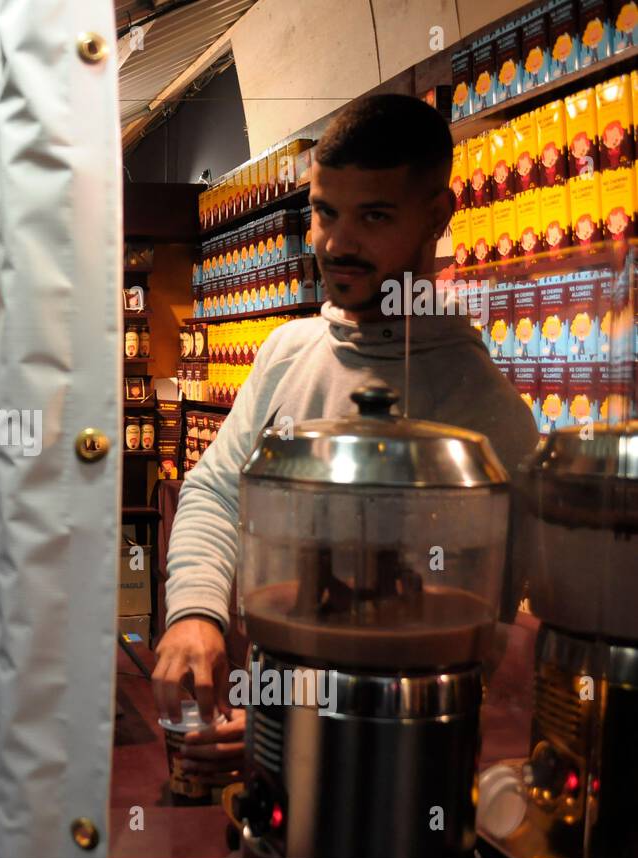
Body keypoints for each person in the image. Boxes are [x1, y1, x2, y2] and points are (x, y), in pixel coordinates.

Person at [154, 94, 540, 776]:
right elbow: (215, 492)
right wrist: (195, 613)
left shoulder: (486, 415)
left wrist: (292, 733)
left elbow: (451, 653)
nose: (336, 243)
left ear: (437, 216)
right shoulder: (286, 353)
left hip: (395, 781)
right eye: (324, 211)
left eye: (375, 216)